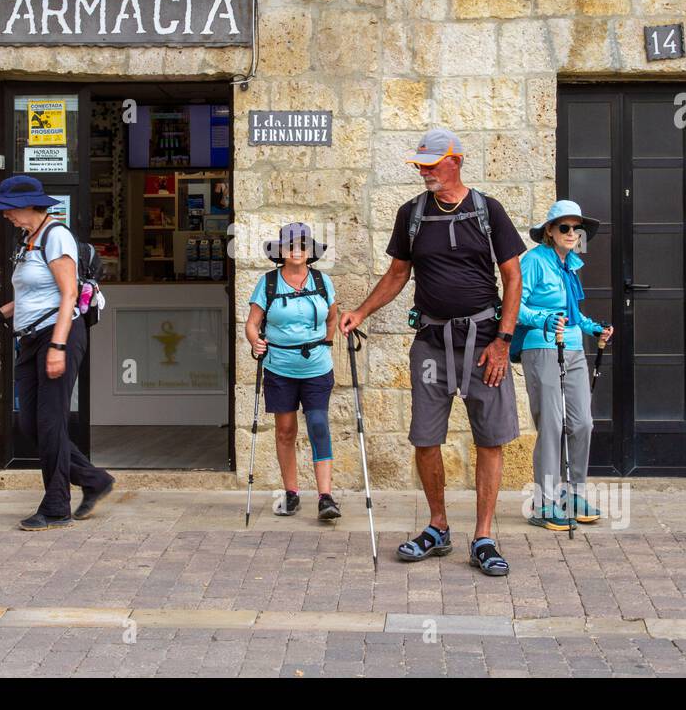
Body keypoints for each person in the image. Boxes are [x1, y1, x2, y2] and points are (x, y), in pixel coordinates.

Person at [339, 129, 524, 578]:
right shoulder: (412, 215)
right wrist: (360, 312)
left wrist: (503, 341)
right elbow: (398, 274)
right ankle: (438, 527)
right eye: (420, 164)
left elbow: (513, 278)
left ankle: (483, 536)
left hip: (484, 341)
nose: (424, 171)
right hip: (430, 341)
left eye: (432, 164)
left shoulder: (487, 211)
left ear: (455, 161)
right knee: (425, 437)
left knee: (490, 438)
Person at [0, 175, 114, 530]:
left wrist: (57, 344)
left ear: (28, 207)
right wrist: (2, 312)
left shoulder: (56, 237)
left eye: (8, 210)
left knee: (51, 422)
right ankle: (92, 479)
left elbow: (68, 294)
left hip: (58, 337)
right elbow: (32, 294)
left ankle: (56, 505)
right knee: (30, 423)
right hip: (31, 337)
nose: (5, 216)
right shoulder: (29, 239)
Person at [516, 200, 613, 530]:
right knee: (552, 426)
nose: (572, 233)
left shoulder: (571, 265)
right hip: (542, 349)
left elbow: (573, 315)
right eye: (564, 227)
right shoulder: (534, 261)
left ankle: (573, 494)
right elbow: (514, 306)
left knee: (582, 422)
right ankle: (545, 502)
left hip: (573, 350)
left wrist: (593, 328)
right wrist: (544, 319)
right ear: (549, 231)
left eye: (576, 228)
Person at [244, 223, 340, 519]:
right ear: (281, 251)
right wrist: (255, 342)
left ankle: (325, 496)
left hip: (317, 368)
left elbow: (333, 317)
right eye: (290, 245)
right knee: (285, 430)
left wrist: (326, 343)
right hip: (280, 368)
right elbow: (252, 323)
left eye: (302, 244)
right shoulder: (269, 282)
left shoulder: (323, 281)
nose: (296, 250)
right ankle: (291, 493)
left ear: (310, 251)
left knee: (318, 423)